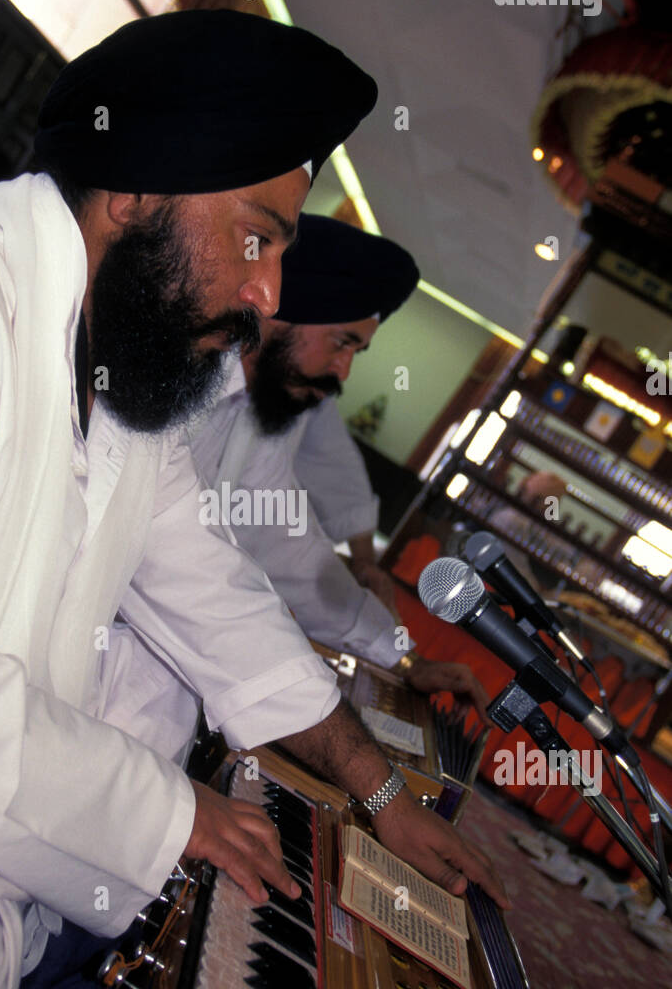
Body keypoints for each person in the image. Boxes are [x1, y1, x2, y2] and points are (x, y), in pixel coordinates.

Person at [0, 9, 505, 989]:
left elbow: (219, 594)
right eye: (258, 236)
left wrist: (379, 793)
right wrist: (173, 811)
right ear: (136, 190)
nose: (266, 294)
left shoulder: (116, 370)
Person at [188, 213, 492, 718]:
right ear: (285, 312)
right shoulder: (176, 380)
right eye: (343, 343)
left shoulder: (266, 413)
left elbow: (287, 546)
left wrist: (404, 658)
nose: (345, 373)